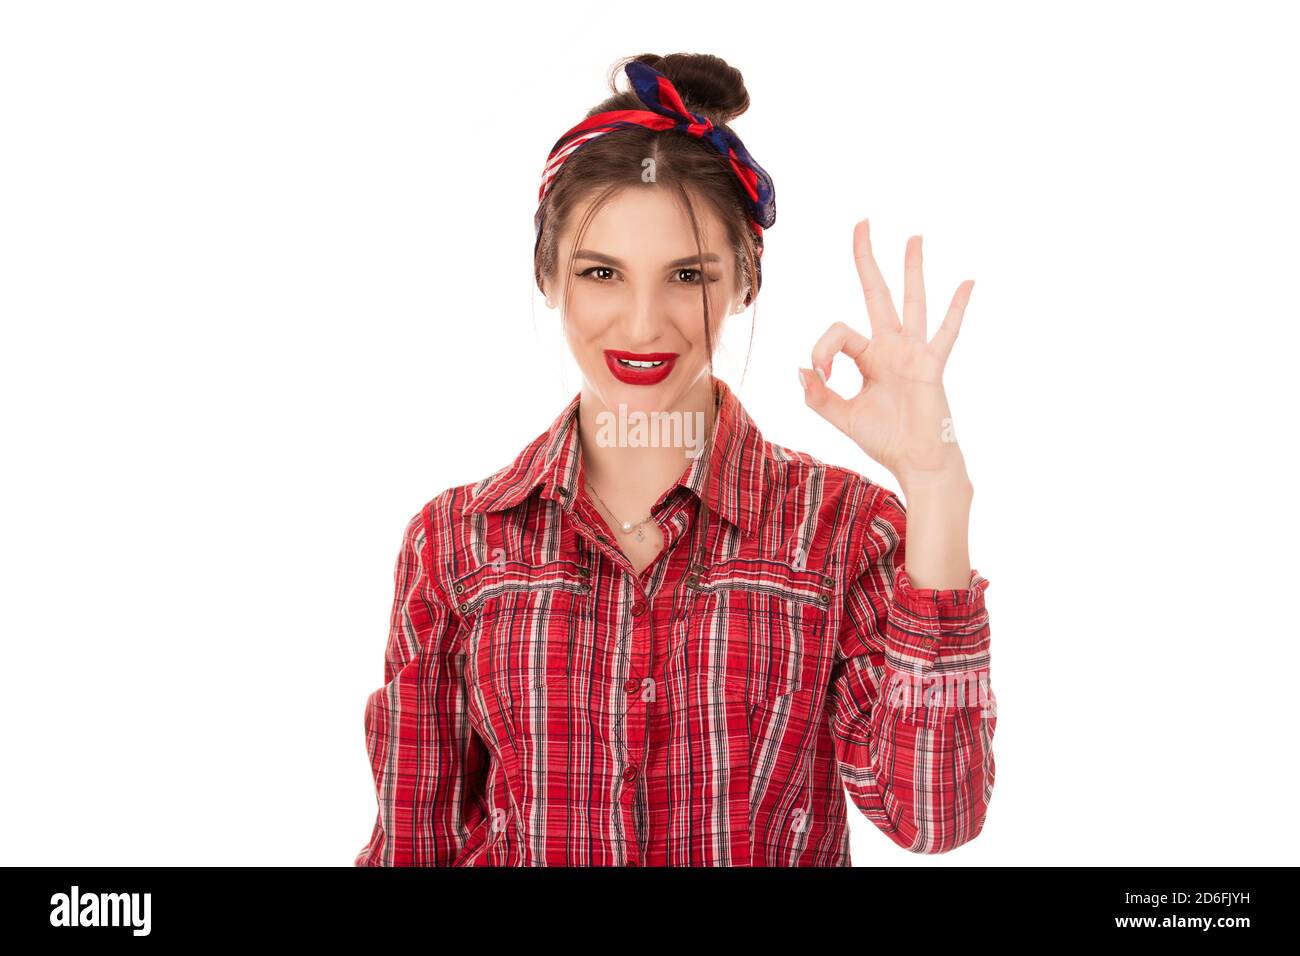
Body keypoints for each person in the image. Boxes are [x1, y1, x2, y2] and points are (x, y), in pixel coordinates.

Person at [355, 52, 996, 867]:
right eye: (602, 273)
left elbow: (934, 816)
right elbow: (414, 844)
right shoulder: (454, 544)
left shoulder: (844, 532)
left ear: (745, 282)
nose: (642, 323)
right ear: (548, 275)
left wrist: (936, 487)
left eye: (687, 275)